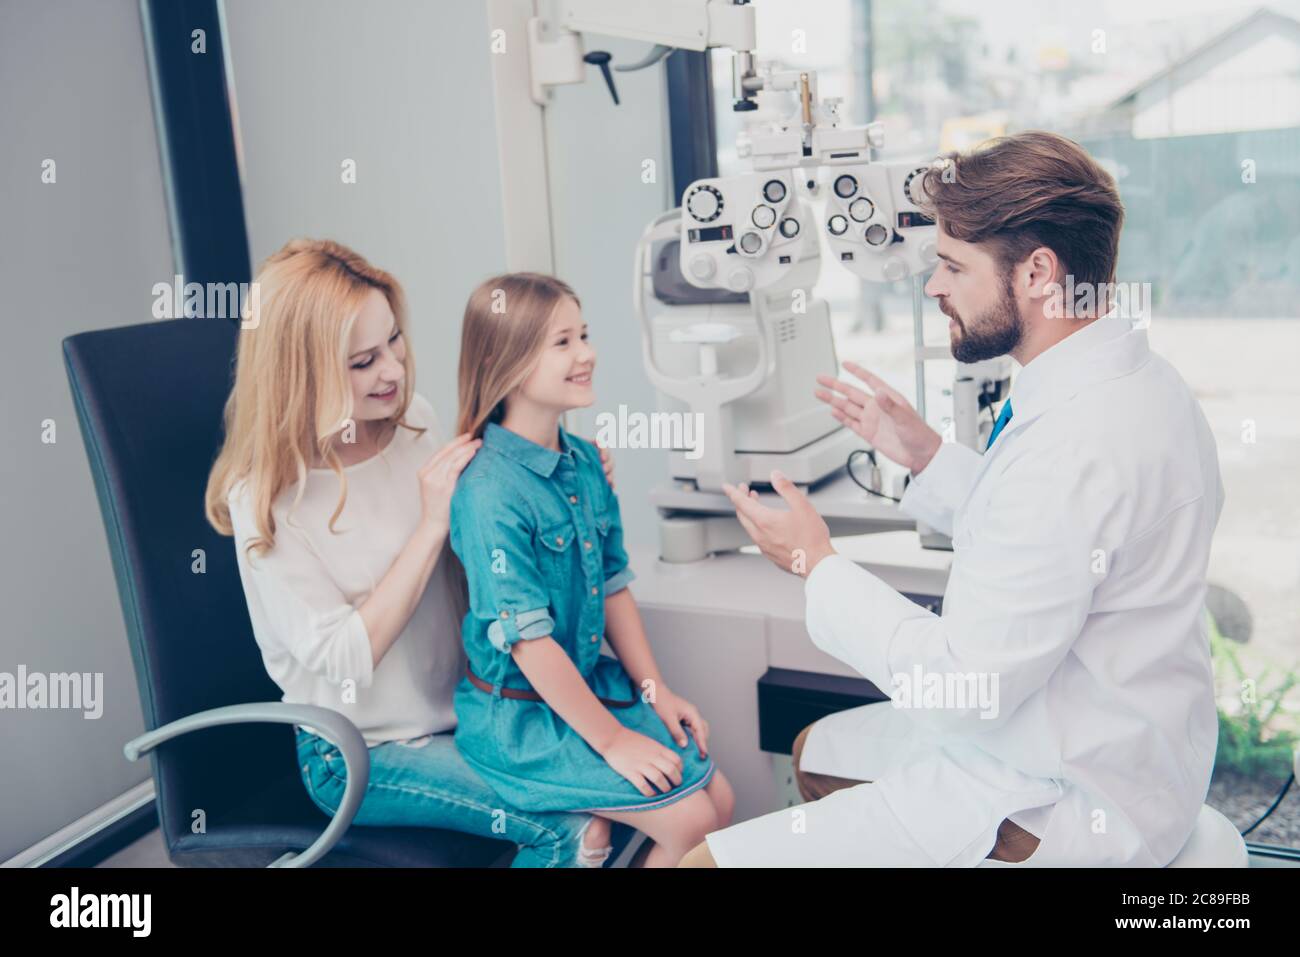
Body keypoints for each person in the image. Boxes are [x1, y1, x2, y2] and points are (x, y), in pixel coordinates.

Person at [683, 131, 1224, 867]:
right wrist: (928, 456)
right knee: (816, 749)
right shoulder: (1139, 385)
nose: (932, 287)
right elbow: (1054, 537)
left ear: (1038, 272)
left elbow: (957, 687)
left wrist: (817, 561)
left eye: (951, 265)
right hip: (1138, 750)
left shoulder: (1073, 446)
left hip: (1059, 794)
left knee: (700, 865)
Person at [205, 238, 617, 867]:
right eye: (362, 361)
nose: (393, 371)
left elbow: (490, 540)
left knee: (641, 788)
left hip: (472, 710)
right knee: (578, 827)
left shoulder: (413, 423)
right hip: (361, 751)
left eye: (393, 341)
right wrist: (429, 528)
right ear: (302, 372)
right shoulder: (266, 499)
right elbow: (344, 658)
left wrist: (567, 488)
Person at [448, 272, 735, 867]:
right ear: (508, 363)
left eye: (584, 334)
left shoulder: (582, 463)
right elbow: (528, 644)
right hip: (521, 720)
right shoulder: (487, 493)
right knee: (691, 821)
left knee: (721, 802)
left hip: (586, 691)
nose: (587, 354)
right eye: (563, 342)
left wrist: (655, 692)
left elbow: (613, 584)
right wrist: (612, 741)